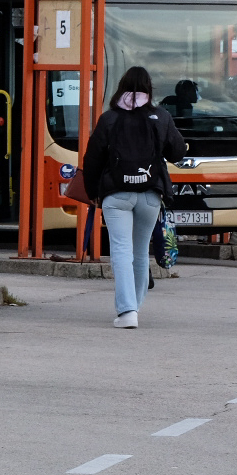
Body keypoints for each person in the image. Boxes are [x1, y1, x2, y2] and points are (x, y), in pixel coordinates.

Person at [82, 66, 186, 329]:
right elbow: (176, 152)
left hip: (116, 195)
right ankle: (134, 308)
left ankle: (127, 310)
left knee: (120, 250)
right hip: (151, 194)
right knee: (141, 253)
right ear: (148, 89)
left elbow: (92, 158)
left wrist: (92, 192)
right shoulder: (161, 117)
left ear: (121, 88)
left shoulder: (109, 119)